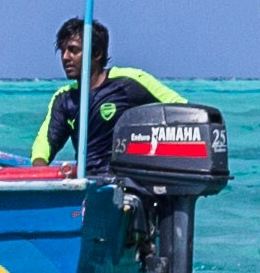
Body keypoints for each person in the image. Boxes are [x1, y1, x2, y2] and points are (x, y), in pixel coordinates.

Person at [33, 17, 179, 165]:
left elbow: (183, 109)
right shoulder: (64, 99)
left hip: (126, 180)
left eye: (73, 50)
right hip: (88, 181)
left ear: (97, 53)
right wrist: (39, 170)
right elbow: (43, 146)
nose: (65, 57)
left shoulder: (128, 82)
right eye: (63, 51)